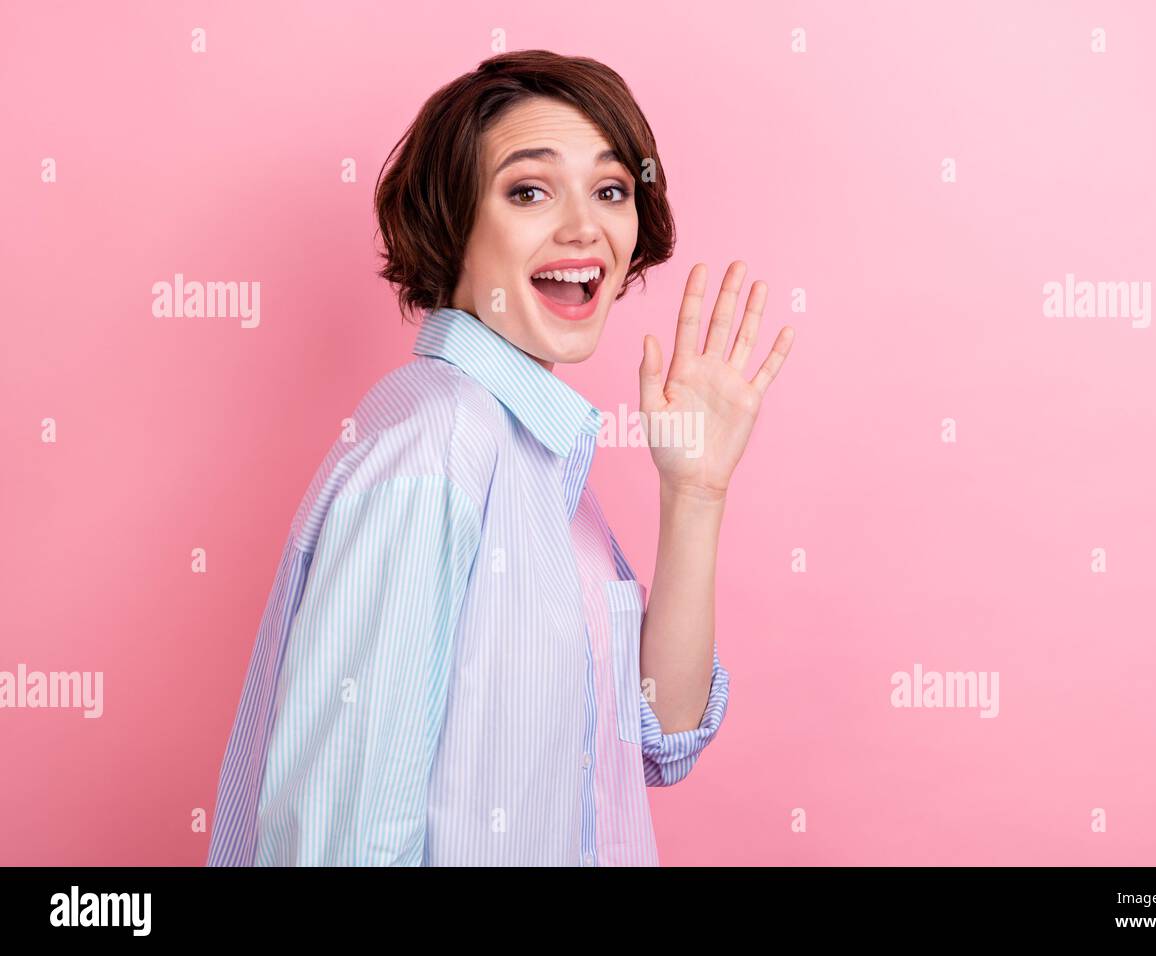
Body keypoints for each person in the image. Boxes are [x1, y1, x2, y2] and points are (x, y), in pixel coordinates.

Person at [206, 49, 793, 866]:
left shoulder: (543, 462)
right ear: (453, 223)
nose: (585, 227)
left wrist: (696, 493)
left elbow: (661, 736)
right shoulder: (438, 447)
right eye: (528, 190)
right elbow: (336, 836)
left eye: (612, 189)